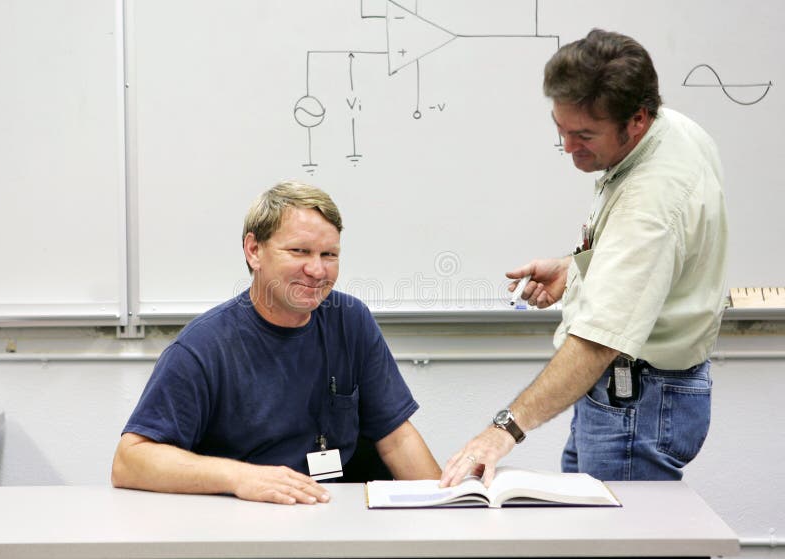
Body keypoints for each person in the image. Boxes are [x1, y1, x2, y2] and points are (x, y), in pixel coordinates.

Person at [441, 29, 727, 486]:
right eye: (561, 129)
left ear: (636, 119)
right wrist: (578, 270)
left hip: (635, 404)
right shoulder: (671, 128)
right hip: (631, 394)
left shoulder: (651, 204)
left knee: (619, 545)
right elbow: (654, 263)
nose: (569, 147)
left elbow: (597, 341)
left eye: (585, 135)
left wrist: (503, 431)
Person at [112, 181, 440, 505]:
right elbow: (130, 461)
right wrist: (239, 476)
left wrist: (451, 508)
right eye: (299, 251)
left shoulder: (351, 320)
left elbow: (397, 439)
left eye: (329, 255)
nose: (316, 270)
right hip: (251, 521)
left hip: (337, 515)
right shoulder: (204, 346)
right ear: (254, 250)